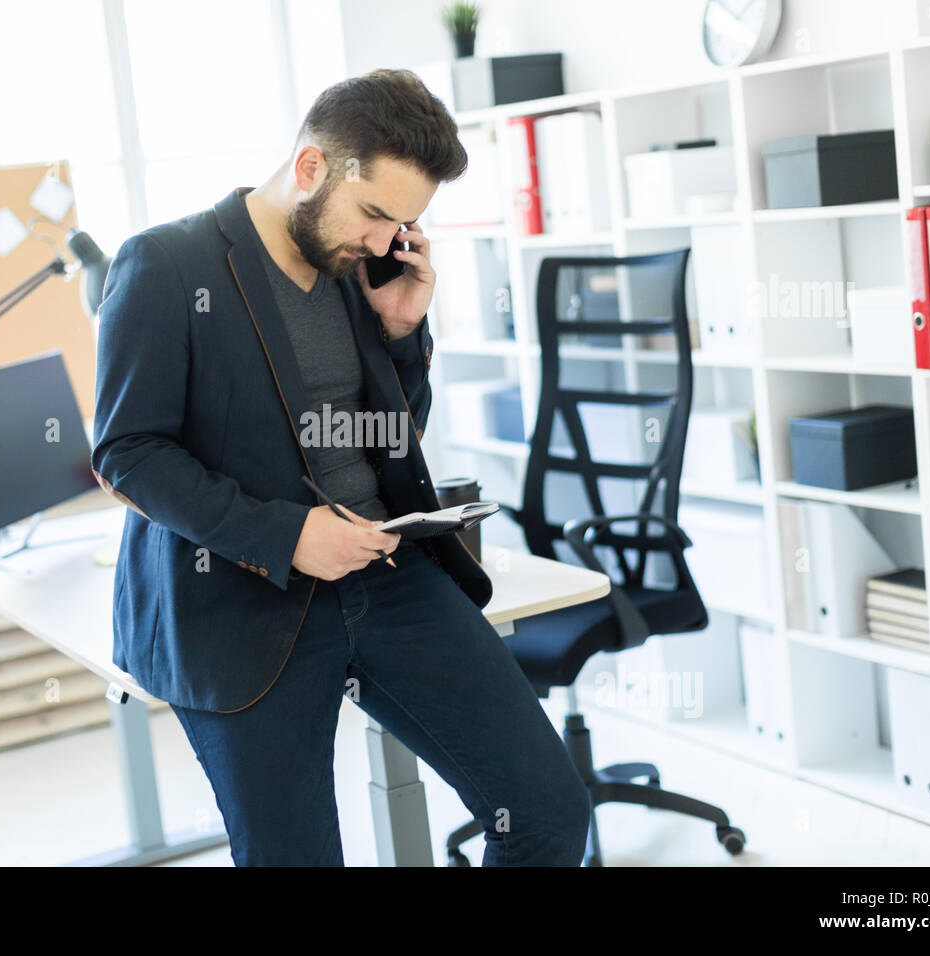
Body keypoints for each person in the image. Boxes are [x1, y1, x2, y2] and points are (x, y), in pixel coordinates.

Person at [91, 68, 590, 865]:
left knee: (548, 813)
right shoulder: (166, 265)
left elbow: (393, 437)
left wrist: (402, 335)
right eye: (375, 214)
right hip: (242, 601)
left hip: (387, 575)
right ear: (311, 166)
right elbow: (126, 454)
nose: (385, 241)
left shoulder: (361, 270)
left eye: (404, 222)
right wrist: (288, 536)